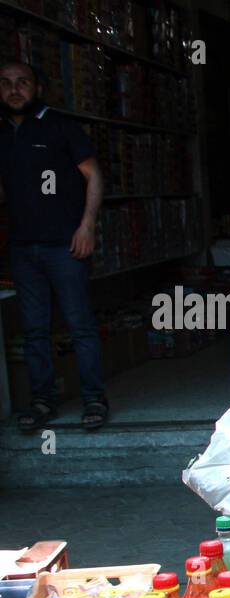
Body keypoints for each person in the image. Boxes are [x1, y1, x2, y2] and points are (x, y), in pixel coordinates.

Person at [0, 61, 107, 432]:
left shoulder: (60, 126)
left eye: (23, 82)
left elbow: (94, 175)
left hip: (65, 244)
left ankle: (94, 398)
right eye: (7, 84)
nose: (15, 90)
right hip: (22, 248)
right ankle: (43, 400)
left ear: (38, 87)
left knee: (79, 324)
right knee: (34, 329)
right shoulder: (1, 133)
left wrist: (87, 226)